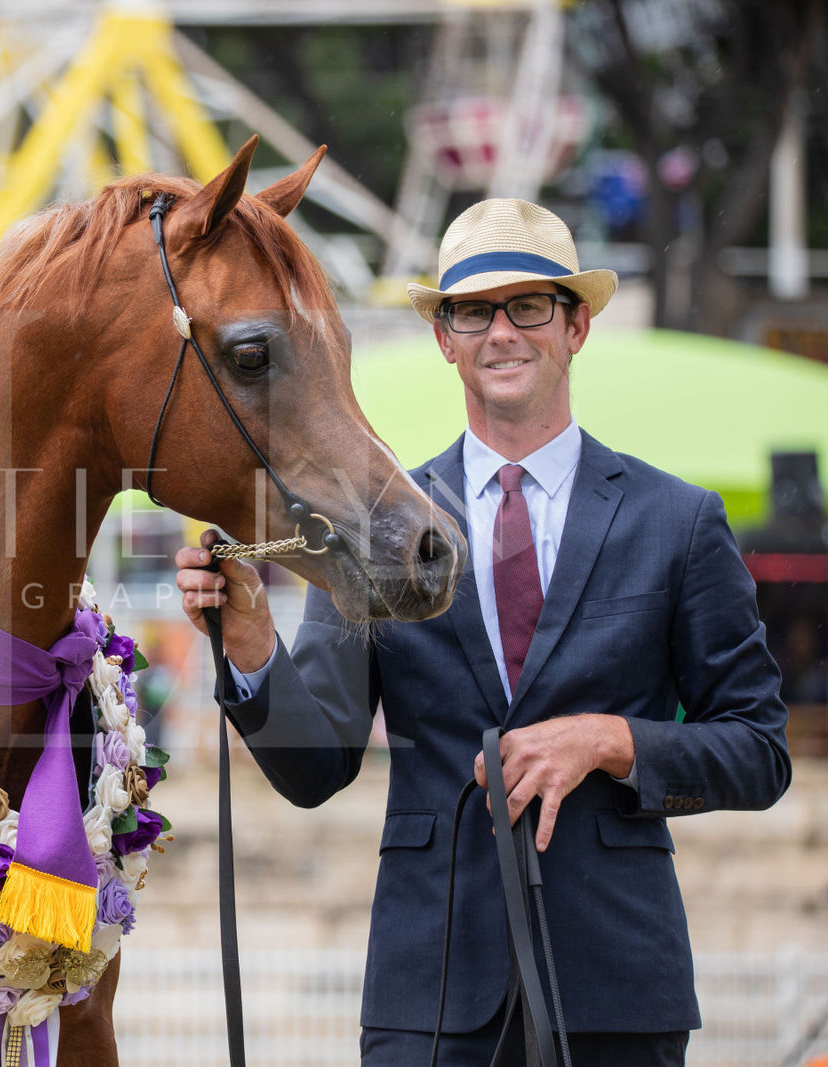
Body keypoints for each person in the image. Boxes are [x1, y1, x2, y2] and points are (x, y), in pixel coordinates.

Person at [176, 200, 791, 1065]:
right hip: (428, 995)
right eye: (473, 310)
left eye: (529, 306)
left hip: (616, 989)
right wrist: (248, 642)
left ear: (576, 325)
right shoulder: (372, 523)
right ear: (445, 338)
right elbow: (317, 768)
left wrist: (611, 740)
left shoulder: (679, 521)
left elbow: (760, 750)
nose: (502, 332)